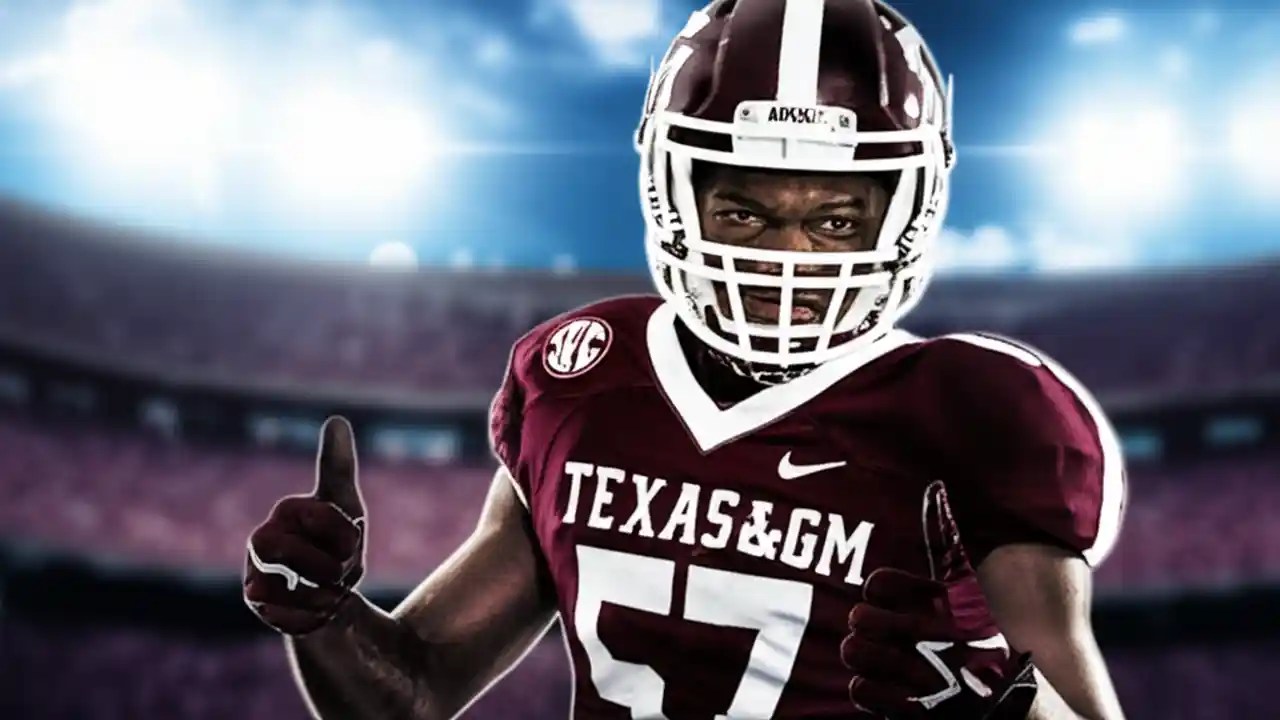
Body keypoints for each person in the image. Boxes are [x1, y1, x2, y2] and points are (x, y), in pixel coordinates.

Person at [243, 1, 1129, 718]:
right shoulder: (583, 377)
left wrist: (1008, 705)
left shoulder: (977, 410)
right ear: (676, 196)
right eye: (744, 214)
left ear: (906, 211)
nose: (788, 258)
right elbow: (413, 694)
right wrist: (319, 612)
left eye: (834, 221)